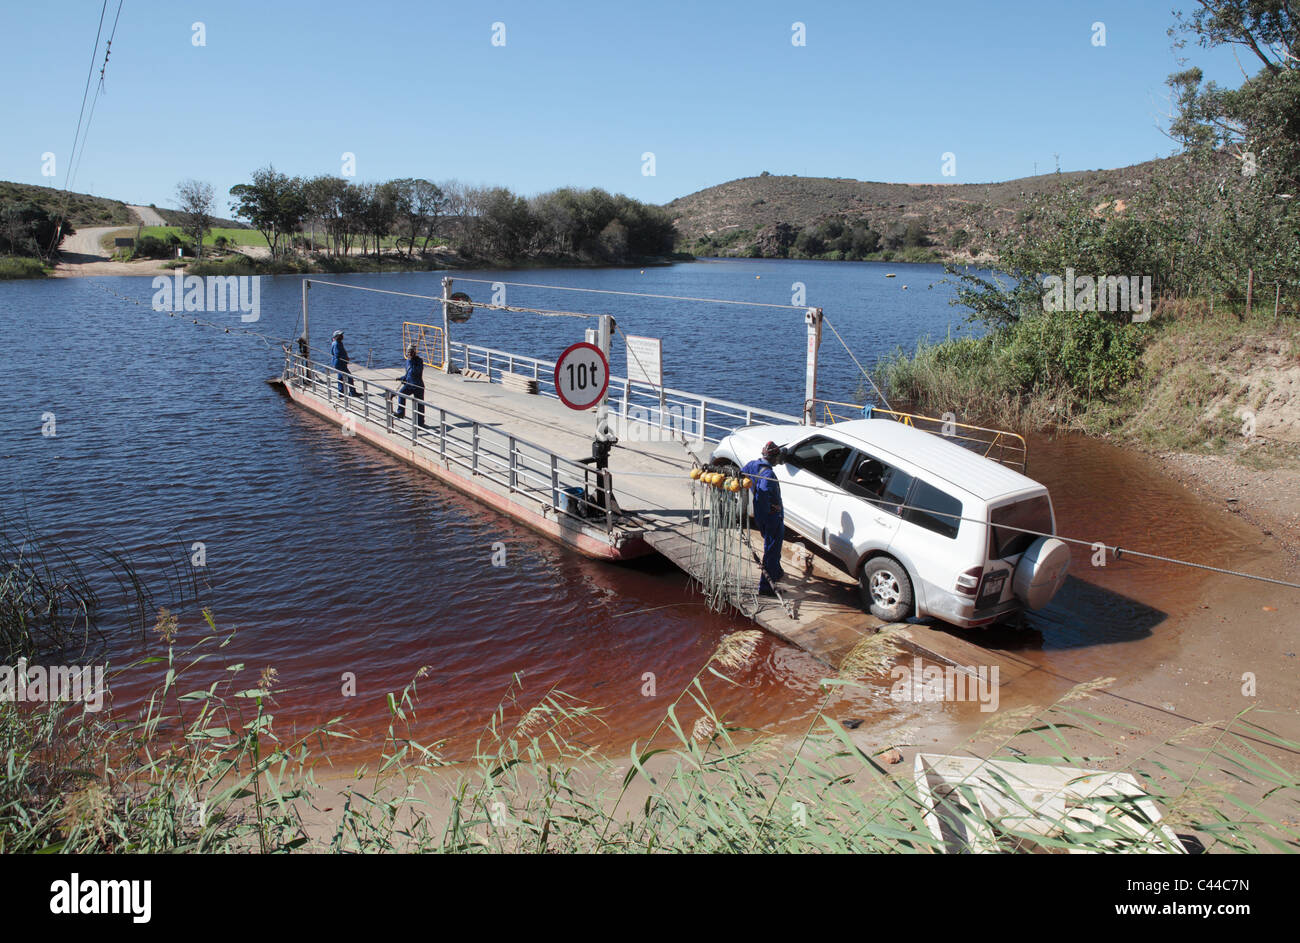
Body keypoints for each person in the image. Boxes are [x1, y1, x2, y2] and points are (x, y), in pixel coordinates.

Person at [741, 441, 785, 597]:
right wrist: (771, 509)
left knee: (772, 545)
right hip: (771, 517)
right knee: (772, 550)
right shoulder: (769, 474)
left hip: (760, 515)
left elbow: (742, 474)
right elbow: (764, 490)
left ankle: (777, 572)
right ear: (773, 458)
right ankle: (766, 587)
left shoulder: (753, 465)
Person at [394, 344, 425, 427]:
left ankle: (420, 423)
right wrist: (401, 378)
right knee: (401, 394)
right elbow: (408, 374)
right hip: (409, 384)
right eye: (408, 352)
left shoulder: (419, 361)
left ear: (414, 352)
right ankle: (401, 413)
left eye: (411, 352)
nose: (409, 354)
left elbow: (416, 372)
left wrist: (412, 363)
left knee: (420, 405)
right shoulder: (407, 361)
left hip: (418, 386)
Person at [331, 329, 358, 396]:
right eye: (340, 335)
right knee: (349, 377)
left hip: (338, 362)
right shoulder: (336, 343)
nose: (342, 336)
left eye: (342, 335)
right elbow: (337, 354)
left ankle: (341, 392)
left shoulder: (338, 343)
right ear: (337, 336)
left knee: (340, 377)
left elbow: (333, 353)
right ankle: (352, 392)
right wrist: (344, 358)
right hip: (340, 363)